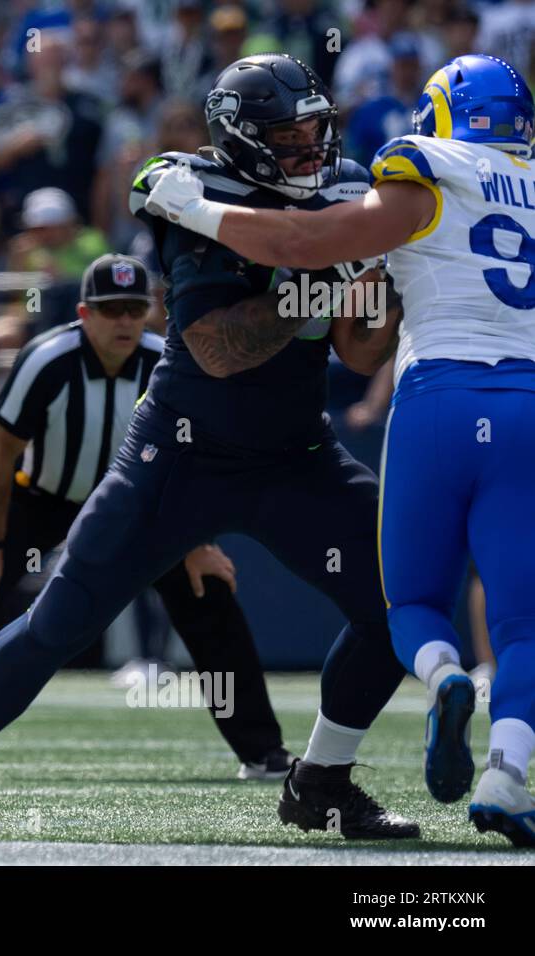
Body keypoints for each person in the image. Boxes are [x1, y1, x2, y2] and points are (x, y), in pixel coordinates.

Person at [0, 54, 415, 842]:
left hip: (297, 453)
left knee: (398, 604)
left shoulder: (343, 188)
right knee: (59, 621)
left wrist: (382, 287)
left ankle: (320, 779)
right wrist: (319, 285)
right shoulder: (196, 194)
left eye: (314, 128)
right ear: (243, 140)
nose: (308, 147)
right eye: (288, 134)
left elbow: (360, 355)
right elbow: (218, 347)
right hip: (179, 457)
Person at [139, 53, 535, 847]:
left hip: (440, 397)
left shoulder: (422, 166)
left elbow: (304, 241)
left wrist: (194, 208)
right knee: (525, 627)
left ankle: (443, 675)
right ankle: (510, 775)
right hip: (528, 403)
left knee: (411, 602)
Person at [0, 254, 292, 780]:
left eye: (134, 308)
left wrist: (198, 541)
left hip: (136, 504)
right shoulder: (46, 360)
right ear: (85, 313)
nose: (125, 321)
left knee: (206, 591)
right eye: (112, 310)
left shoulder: (169, 363)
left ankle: (261, 750)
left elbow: (199, 457)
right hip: (43, 497)